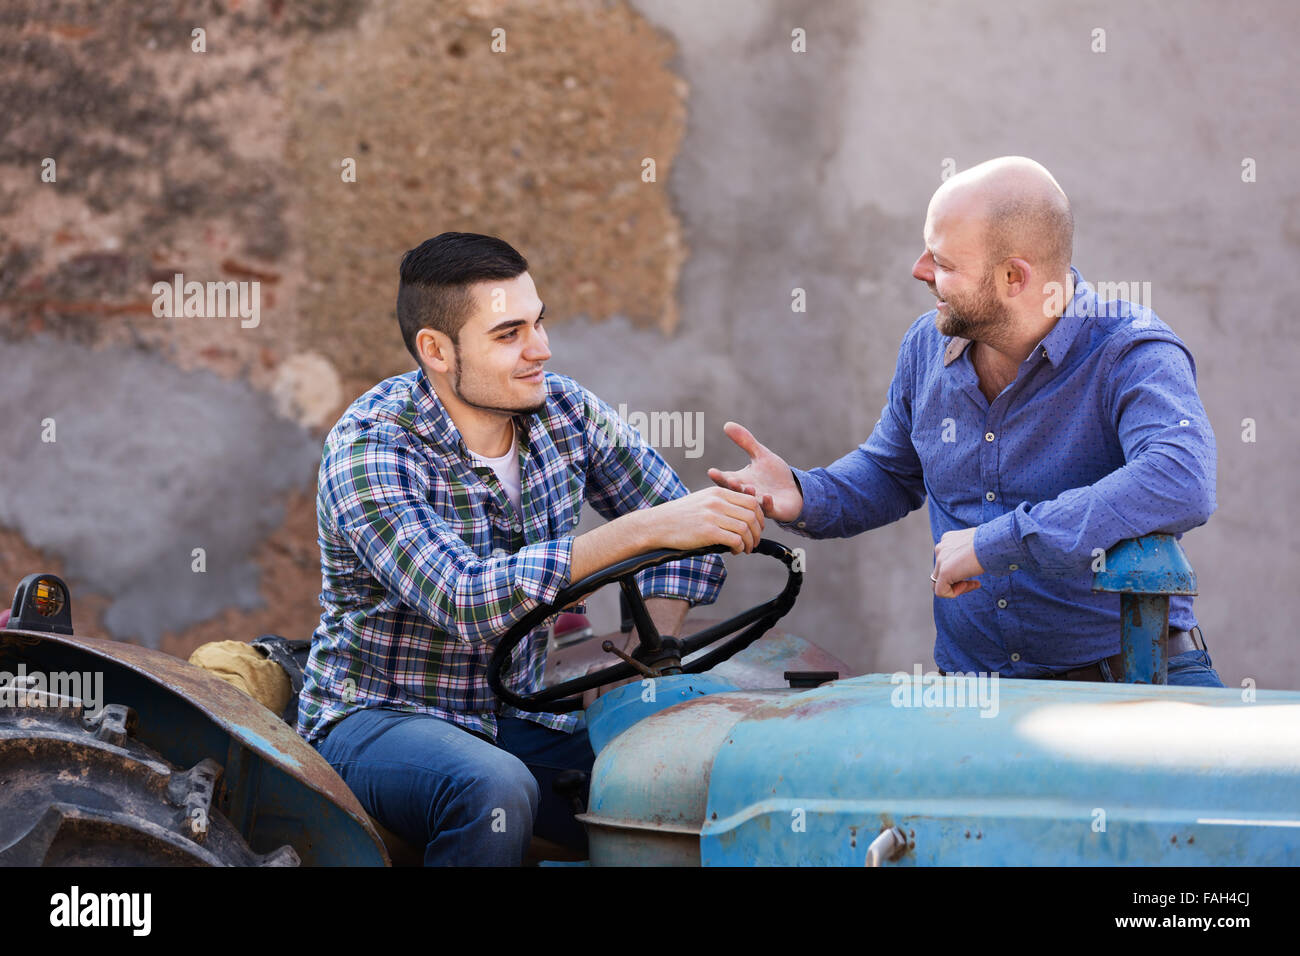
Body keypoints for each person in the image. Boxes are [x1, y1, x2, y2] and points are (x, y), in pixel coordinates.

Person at [298, 232, 765, 865]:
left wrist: (645, 642)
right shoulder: (371, 447)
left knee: (685, 772)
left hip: (515, 714)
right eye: (508, 334)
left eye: (538, 322)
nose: (539, 350)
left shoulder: (564, 412)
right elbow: (467, 600)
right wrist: (640, 531)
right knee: (490, 787)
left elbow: (691, 532)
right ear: (436, 350)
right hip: (378, 718)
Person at [708, 156, 1222, 686]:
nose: (920, 270)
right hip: (976, 698)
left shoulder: (1129, 349)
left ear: (1012, 277)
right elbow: (891, 472)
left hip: (1135, 682)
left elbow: (1179, 478)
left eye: (943, 262)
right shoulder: (925, 346)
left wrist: (992, 544)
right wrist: (802, 493)